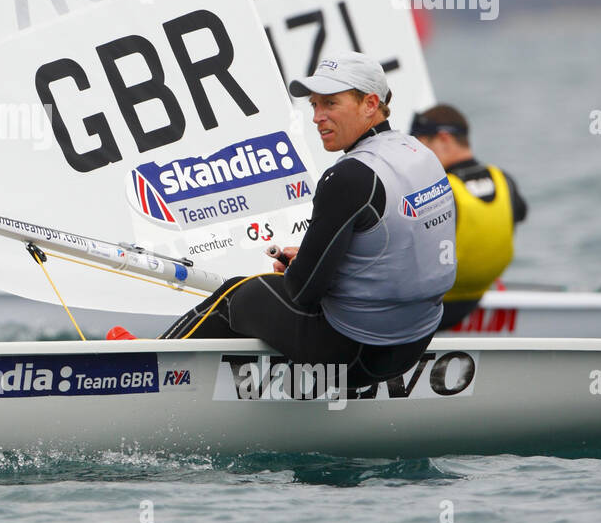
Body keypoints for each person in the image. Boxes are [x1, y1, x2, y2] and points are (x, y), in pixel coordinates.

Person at [160, 51, 457, 390]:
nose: (317, 117)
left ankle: (151, 370)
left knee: (239, 294)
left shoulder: (349, 177)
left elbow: (302, 291)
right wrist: (314, 259)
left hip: (357, 356)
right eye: (314, 105)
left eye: (330, 104)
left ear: (370, 104)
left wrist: (303, 268)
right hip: (414, 342)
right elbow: (401, 244)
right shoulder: (420, 154)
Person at [410, 104, 528, 330]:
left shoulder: (440, 191)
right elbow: (520, 213)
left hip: (433, 308)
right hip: (475, 298)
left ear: (444, 139)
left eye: (421, 144)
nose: (417, 156)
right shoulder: (503, 179)